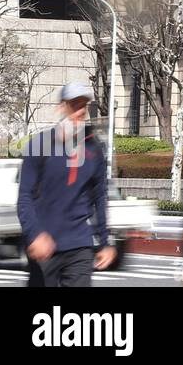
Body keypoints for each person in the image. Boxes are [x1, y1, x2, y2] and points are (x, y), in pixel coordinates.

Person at [17, 82, 115, 287]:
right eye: (74, 104)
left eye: (84, 105)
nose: (80, 111)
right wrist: (34, 234)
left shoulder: (94, 148)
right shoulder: (40, 144)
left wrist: (105, 242)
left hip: (79, 244)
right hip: (45, 246)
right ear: (62, 106)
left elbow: (99, 196)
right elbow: (24, 197)